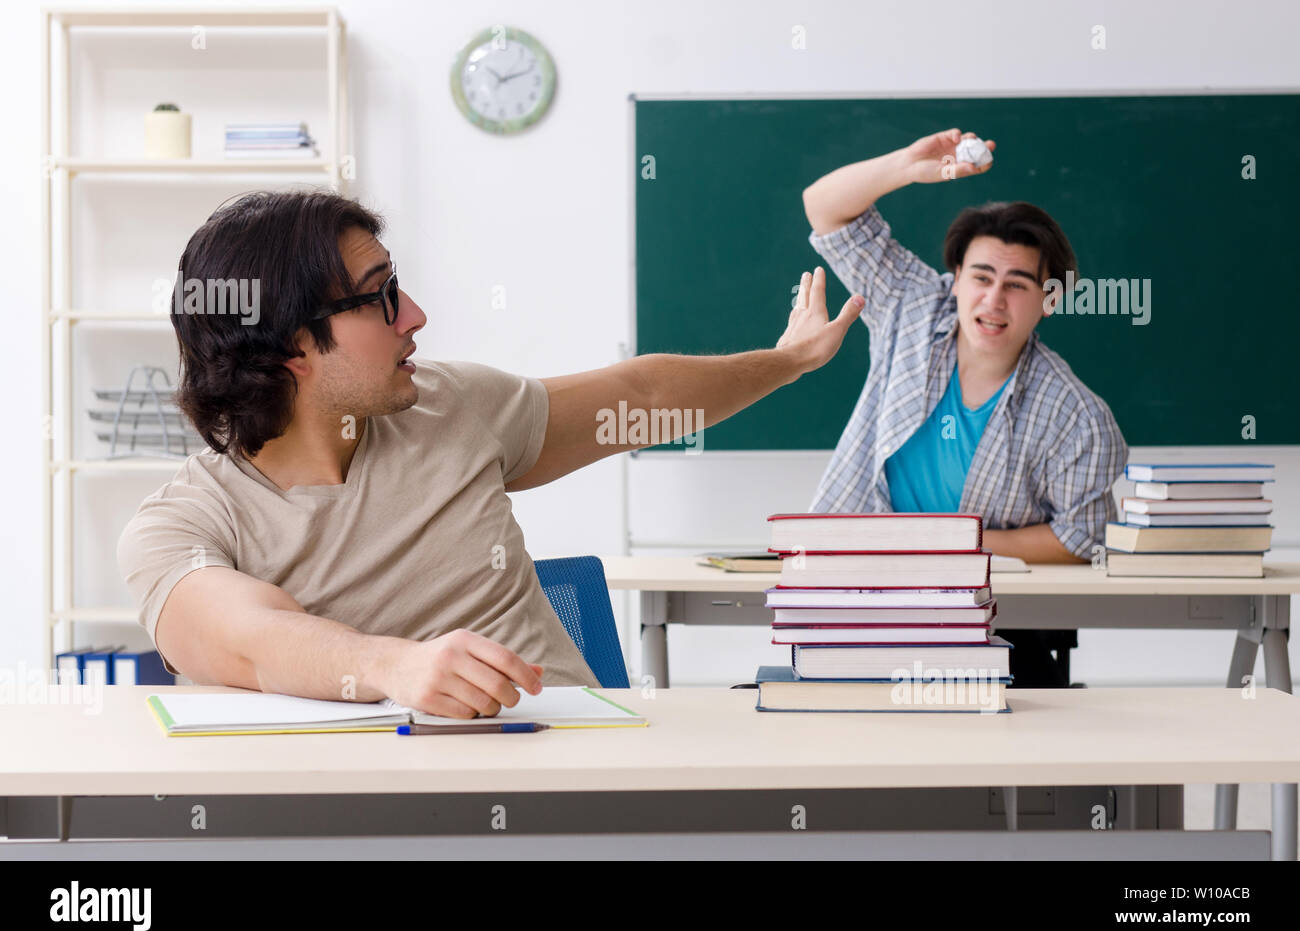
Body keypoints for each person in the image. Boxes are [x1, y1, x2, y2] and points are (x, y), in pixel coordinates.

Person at [117, 189, 864, 719]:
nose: (415, 316)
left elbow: (637, 396)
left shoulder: (452, 406)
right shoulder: (180, 528)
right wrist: (395, 667)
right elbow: (245, 639)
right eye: (382, 297)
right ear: (293, 347)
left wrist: (788, 360)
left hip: (575, 766)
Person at [802, 129, 1128, 687]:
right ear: (954, 282)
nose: (993, 300)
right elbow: (824, 209)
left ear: (1049, 299)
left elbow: (1083, 538)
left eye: (1018, 284)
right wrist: (905, 166)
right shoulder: (911, 307)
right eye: (980, 277)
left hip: (993, 619)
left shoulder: (1077, 415)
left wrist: (947, 543)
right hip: (861, 595)